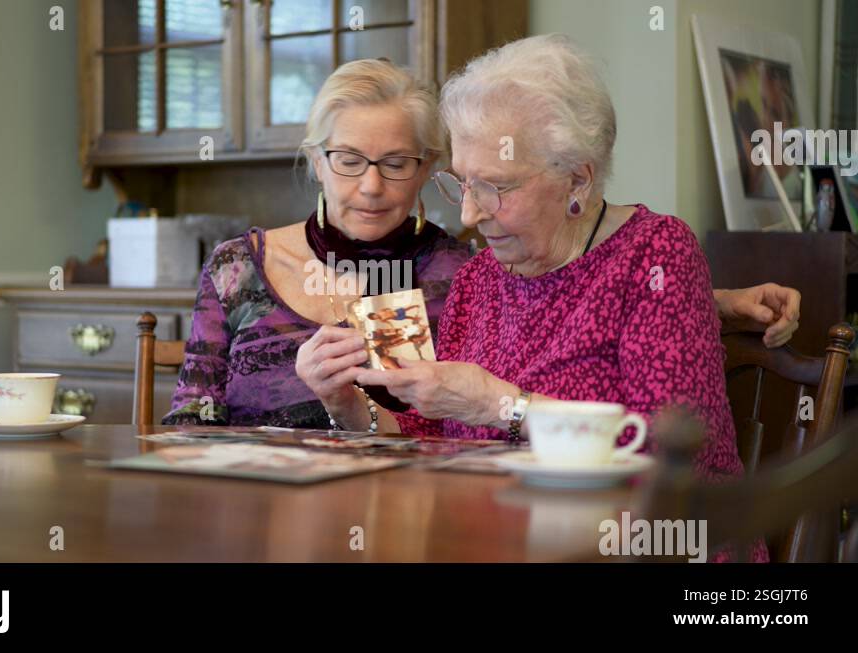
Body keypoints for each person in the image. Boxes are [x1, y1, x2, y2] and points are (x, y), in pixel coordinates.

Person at [299, 36, 800, 560]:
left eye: (494, 187)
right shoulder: (477, 282)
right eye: (463, 184)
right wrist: (348, 406)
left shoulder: (655, 255)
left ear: (576, 180)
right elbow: (427, 438)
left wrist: (500, 405)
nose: (469, 214)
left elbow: (670, 458)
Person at [162, 59, 471, 427]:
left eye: (396, 163)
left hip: (409, 485)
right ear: (317, 162)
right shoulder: (237, 267)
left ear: (425, 168)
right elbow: (192, 418)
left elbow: (470, 431)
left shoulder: (463, 274)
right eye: (349, 160)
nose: (371, 186)